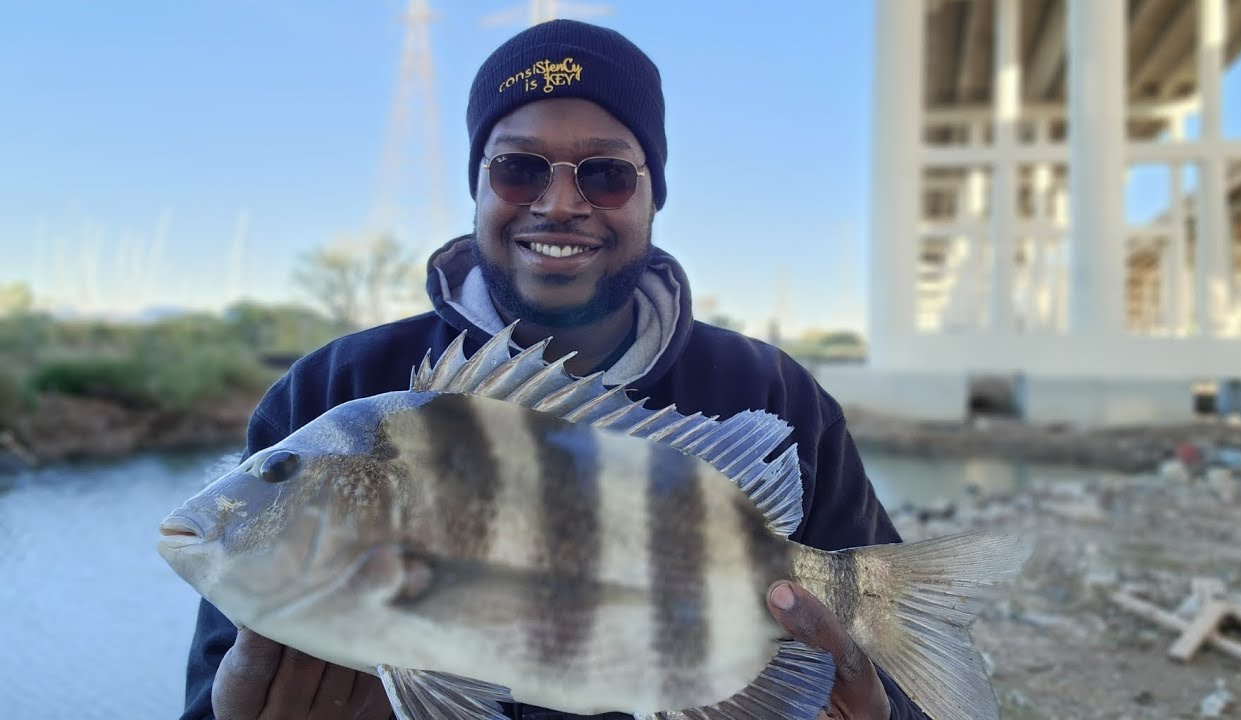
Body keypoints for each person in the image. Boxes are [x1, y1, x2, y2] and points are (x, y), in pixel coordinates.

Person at [178, 19, 928, 720]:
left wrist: (876, 709)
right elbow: (212, 690)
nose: (561, 202)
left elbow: (894, 684)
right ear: (477, 186)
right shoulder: (330, 392)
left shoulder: (775, 395)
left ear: (652, 195)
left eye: (605, 174)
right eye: (517, 168)